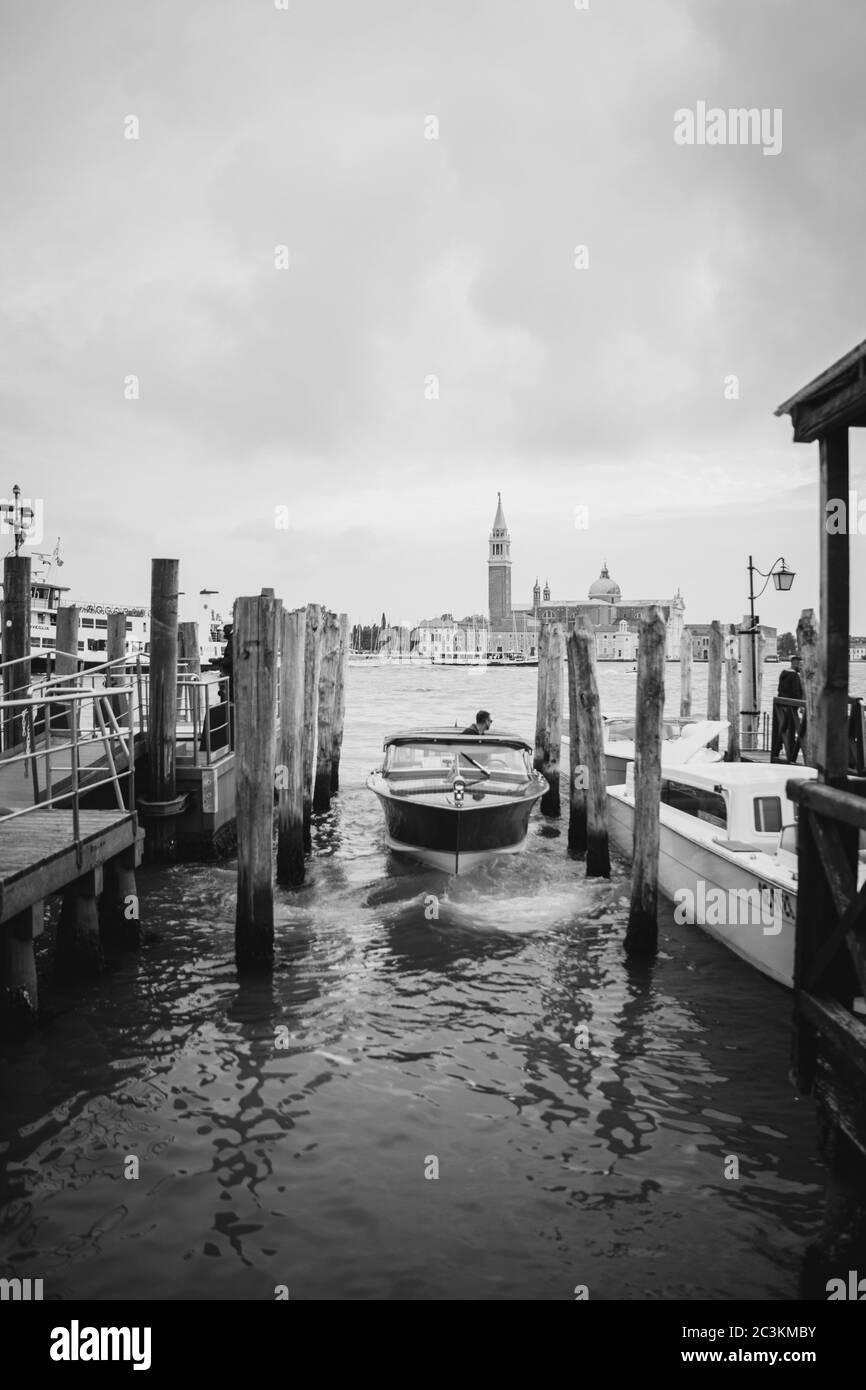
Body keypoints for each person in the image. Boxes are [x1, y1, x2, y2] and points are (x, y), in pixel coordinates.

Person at [774, 656, 804, 762]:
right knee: (790, 729)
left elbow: (779, 689)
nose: (801, 667)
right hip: (791, 706)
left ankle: (779, 748)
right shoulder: (794, 676)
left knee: (783, 728)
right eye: (800, 665)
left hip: (782, 704)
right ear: (795, 664)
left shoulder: (783, 673)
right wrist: (801, 705)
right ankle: (791, 753)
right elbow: (796, 691)